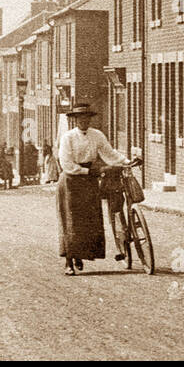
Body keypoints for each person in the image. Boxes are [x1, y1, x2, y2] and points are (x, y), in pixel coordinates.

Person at [56, 103, 132, 275]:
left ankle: (80, 255)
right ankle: (69, 261)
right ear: (75, 120)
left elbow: (109, 153)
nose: (84, 121)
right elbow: (66, 164)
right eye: (80, 118)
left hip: (89, 182)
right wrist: (88, 171)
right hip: (70, 181)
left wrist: (126, 162)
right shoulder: (67, 137)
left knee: (89, 220)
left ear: (90, 119)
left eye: (87, 118)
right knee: (71, 221)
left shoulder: (97, 135)